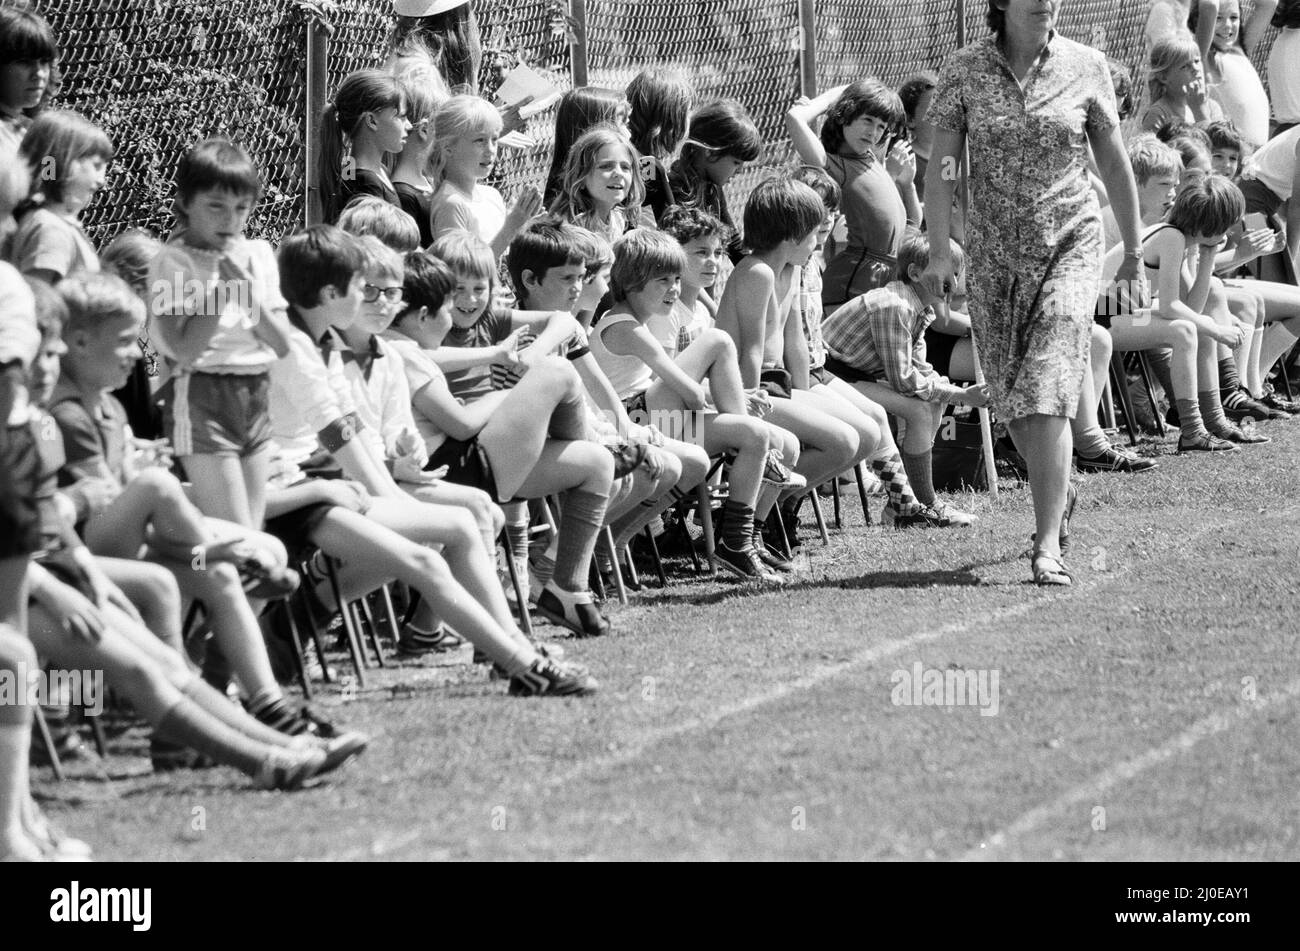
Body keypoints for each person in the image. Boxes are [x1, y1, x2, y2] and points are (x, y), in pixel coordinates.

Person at [923, 0, 1148, 587]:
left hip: (1071, 246)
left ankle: (1046, 542)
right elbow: (944, 166)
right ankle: (1060, 483)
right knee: (1014, 401)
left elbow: (1115, 163)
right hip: (995, 255)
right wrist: (942, 247)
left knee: (1048, 380)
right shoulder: (965, 69)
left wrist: (1133, 254)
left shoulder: (1087, 65)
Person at [587, 227, 791, 582]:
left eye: (677, 279)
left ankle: (736, 546)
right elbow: (691, 394)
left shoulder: (642, 321)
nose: (674, 289)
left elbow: (684, 391)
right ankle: (617, 541)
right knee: (718, 341)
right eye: (663, 280)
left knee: (754, 436)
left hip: (654, 417)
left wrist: (732, 404)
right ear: (633, 281)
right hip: (625, 420)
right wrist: (730, 401)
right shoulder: (623, 326)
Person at [148, 138, 293, 530]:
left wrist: (245, 292)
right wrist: (221, 292)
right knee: (239, 538)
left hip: (256, 395)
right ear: (185, 202)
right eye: (216, 206)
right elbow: (183, 351)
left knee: (255, 538)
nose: (230, 220)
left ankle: (220, 587)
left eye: (241, 208)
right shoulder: (173, 262)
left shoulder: (258, 255)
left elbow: (280, 343)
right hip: (201, 396)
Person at [821, 231, 993, 515]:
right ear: (915, 272)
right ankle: (923, 503)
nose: (953, 284)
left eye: (956, 274)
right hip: (832, 376)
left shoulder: (918, 308)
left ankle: (909, 502)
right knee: (919, 411)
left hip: (857, 375)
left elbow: (920, 369)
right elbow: (904, 380)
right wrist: (962, 395)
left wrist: (948, 390)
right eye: (947, 275)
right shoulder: (895, 306)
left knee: (930, 403)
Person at [786, 80, 917, 311]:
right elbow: (795, 118)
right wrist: (827, 100)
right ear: (844, 114)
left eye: (880, 126)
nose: (873, 132)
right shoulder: (835, 165)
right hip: (854, 280)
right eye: (867, 120)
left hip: (886, 273)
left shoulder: (870, 158)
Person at [427, 94, 541, 256]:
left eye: (494, 140)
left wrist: (525, 225)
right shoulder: (451, 204)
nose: (491, 150)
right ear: (448, 147)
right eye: (480, 140)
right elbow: (465, 272)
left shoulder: (491, 194)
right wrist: (511, 226)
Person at [9, 110, 110, 284]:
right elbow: (41, 301)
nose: (101, 181)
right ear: (65, 162)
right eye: (96, 165)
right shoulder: (50, 228)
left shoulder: (52, 221)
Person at [667, 99, 762, 265]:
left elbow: (734, 245)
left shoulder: (713, 190)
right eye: (736, 162)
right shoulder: (675, 190)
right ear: (710, 153)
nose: (739, 171)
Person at [317, 69, 411, 224]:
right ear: (372, 121)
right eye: (401, 117)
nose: (408, 125)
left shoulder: (350, 165)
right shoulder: (367, 184)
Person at [1191, 0, 1269, 149]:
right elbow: (1209, 6)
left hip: (1257, 156)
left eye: (1234, 17)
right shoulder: (1203, 59)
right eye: (1218, 18)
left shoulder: (1239, 51)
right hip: (1231, 156)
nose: (1227, 25)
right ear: (1198, 22)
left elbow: (1269, 4)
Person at [548, 126, 645, 244]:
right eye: (606, 166)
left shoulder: (618, 220)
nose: (618, 173)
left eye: (625, 167)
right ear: (581, 177)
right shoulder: (575, 229)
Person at [542, 87, 630, 208]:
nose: (628, 134)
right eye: (621, 124)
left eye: (627, 123)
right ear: (593, 128)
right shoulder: (566, 206)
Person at [627, 67, 692, 223]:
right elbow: (658, 223)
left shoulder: (630, 154)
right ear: (671, 118)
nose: (691, 117)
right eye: (688, 111)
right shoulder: (648, 165)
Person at [1140, 34, 1224, 134]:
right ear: (1163, 77)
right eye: (1185, 66)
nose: (1195, 69)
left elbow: (1218, 148)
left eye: (1196, 61)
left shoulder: (1212, 107)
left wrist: (1200, 110)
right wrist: (1199, 111)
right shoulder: (1159, 114)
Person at [0, 5, 56, 154]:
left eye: (44, 61)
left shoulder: (37, 132)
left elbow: (49, 176)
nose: (39, 74)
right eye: (24, 62)